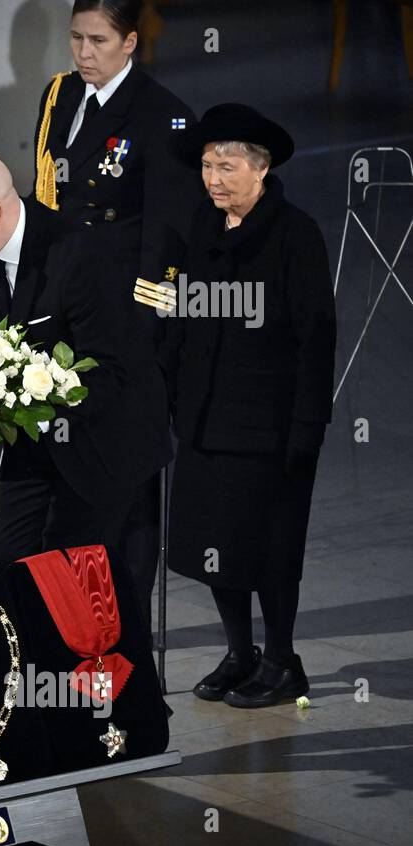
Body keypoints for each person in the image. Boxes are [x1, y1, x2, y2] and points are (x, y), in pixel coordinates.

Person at [31, 0, 203, 635]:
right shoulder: (58, 97)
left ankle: (121, 632)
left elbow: (168, 238)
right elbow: (52, 199)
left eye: (98, 40)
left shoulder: (165, 117)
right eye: (75, 38)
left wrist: (147, 332)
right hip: (62, 309)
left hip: (125, 325)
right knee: (68, 469)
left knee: (126, 478)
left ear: (130, 42)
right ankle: (69, 620)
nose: (83, 53)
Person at [161, 104, 336, 707]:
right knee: (216, 545)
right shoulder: (203, 229)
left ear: (260, 170)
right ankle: (241, 653)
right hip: (208, 420)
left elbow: (316, 338)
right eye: (207, 165)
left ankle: (284, 661)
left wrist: (307, 428)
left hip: (270, 425)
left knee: (270, 549)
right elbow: (184, 317)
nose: (213, 178)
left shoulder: (295, 234)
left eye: (227, 166)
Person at [0, 149, 170, 574]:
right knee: (14, 560)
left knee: (93, 581)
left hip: (106, 441)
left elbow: (112, 367)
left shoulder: (82, 253)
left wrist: (38, 410)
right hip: (32, 440)